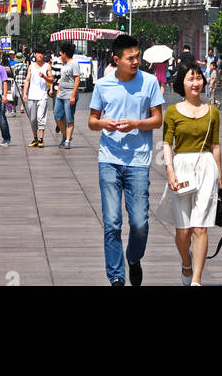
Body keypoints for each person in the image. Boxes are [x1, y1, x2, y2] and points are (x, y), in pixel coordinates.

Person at [88, 33, 164, 287]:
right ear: (116, 59)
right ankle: (117, 277)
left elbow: (157, 120)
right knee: (111, 222)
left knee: (140, 223)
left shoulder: (150, 82)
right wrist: (103, 124)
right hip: (109, 158)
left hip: (139, 161)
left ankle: (133, 258)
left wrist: (136, 123)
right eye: (130, 58)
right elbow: (91, 122)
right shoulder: (102, 85)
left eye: (137, 56)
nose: (135, 61)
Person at [162, 61, 222, 287]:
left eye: (199, 78)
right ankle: (186, 262)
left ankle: (196, 279)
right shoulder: (172, 112)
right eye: (191, 79)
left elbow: (215, 146)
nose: (195, 83)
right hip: (181, 168)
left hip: (206, 167)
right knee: (183, 230)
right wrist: (170, 171)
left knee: (200, 226)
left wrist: (220, 179)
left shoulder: (212, 112)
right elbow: (167, 144)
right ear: (182, 84)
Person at [23, 47, 53, 147]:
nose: (40, 55)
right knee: (32, 119)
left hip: (42, 95)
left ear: (44, 55)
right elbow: (27, 80)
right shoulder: (31, 66)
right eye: (38, 53)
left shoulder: (47, 66)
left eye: (42, 53)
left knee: (41, 117)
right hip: (32, 95)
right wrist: (24, 94)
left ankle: (41, 139)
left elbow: (51, 80)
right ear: (34, 54)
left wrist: (44, 77)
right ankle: (35, 139)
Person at [54, 44, 80, 148]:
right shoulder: (64, 64)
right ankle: (66, 135)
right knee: (57, 116)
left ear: (65, 53)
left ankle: (67, 141)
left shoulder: (74, 64)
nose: (60, 54)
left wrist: (73, 96)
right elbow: (62, 78)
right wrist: (58, 91)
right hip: (61, 94)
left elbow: (77, 80)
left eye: (61, 52)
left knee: (69, 118)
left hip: (70, 94)